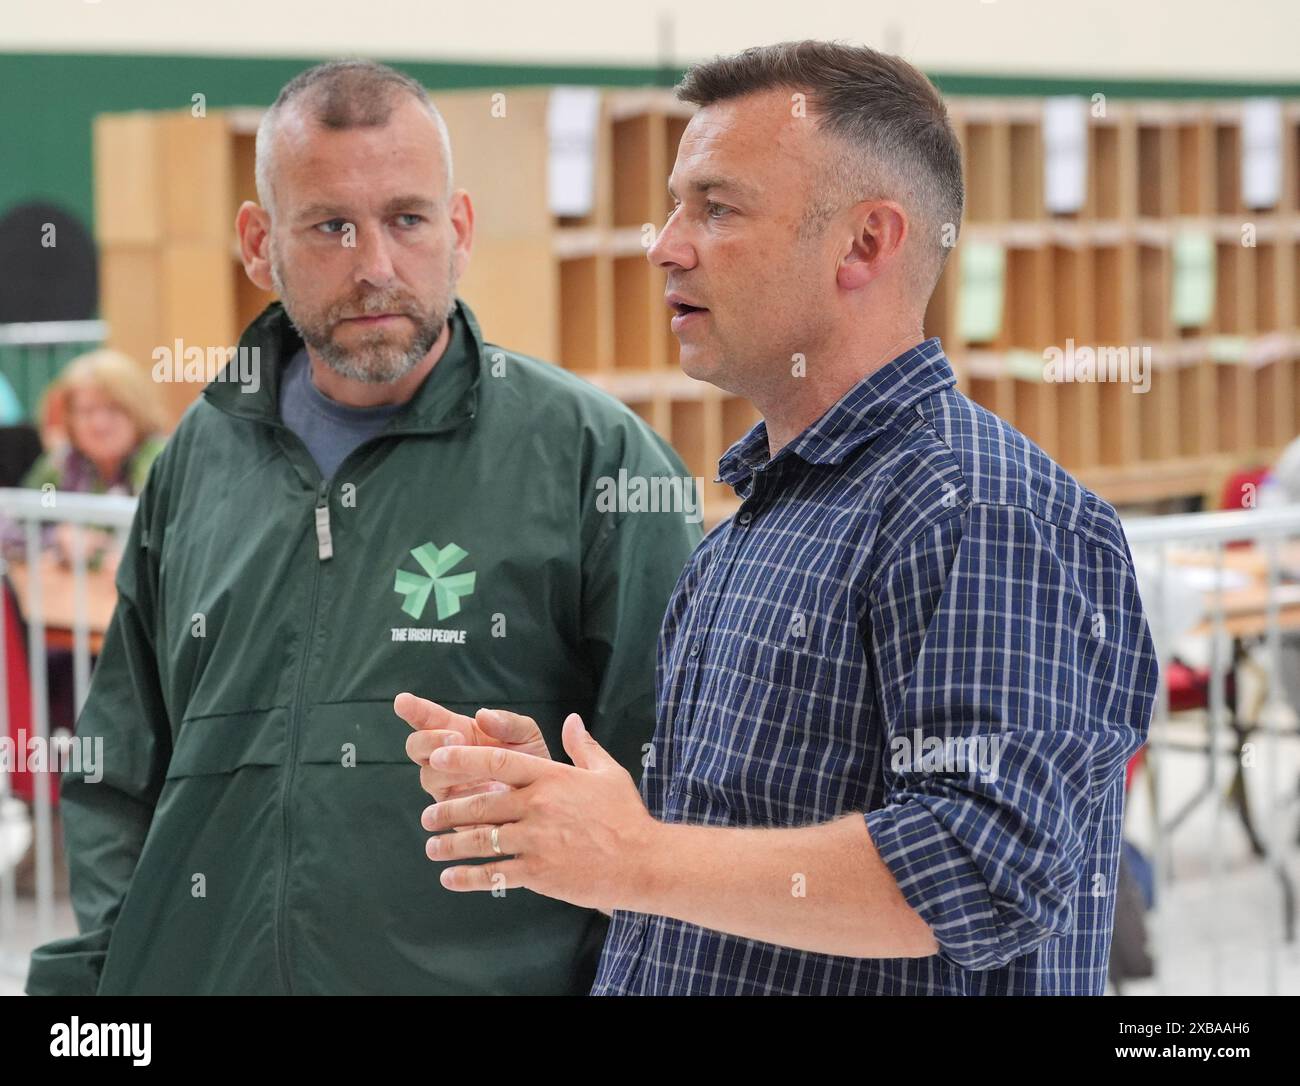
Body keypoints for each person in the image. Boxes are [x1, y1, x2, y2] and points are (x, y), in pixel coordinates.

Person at [403, 40, 1160, 996]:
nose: (666, 244)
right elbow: (731, 878)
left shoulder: (978, 509)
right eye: (677, 204)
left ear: (865, 244)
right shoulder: (760, 523)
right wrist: (576, 818)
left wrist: (634, 856)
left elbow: (978, 870)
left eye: (716, 208)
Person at [26, 59, 699, 995]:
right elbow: (117, 776)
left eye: (408, 219)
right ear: (261, 243)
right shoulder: (198, 459)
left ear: (458, 230)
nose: (375, 265)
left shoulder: (592, 461)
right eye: (331, 225)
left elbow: (671, 796)